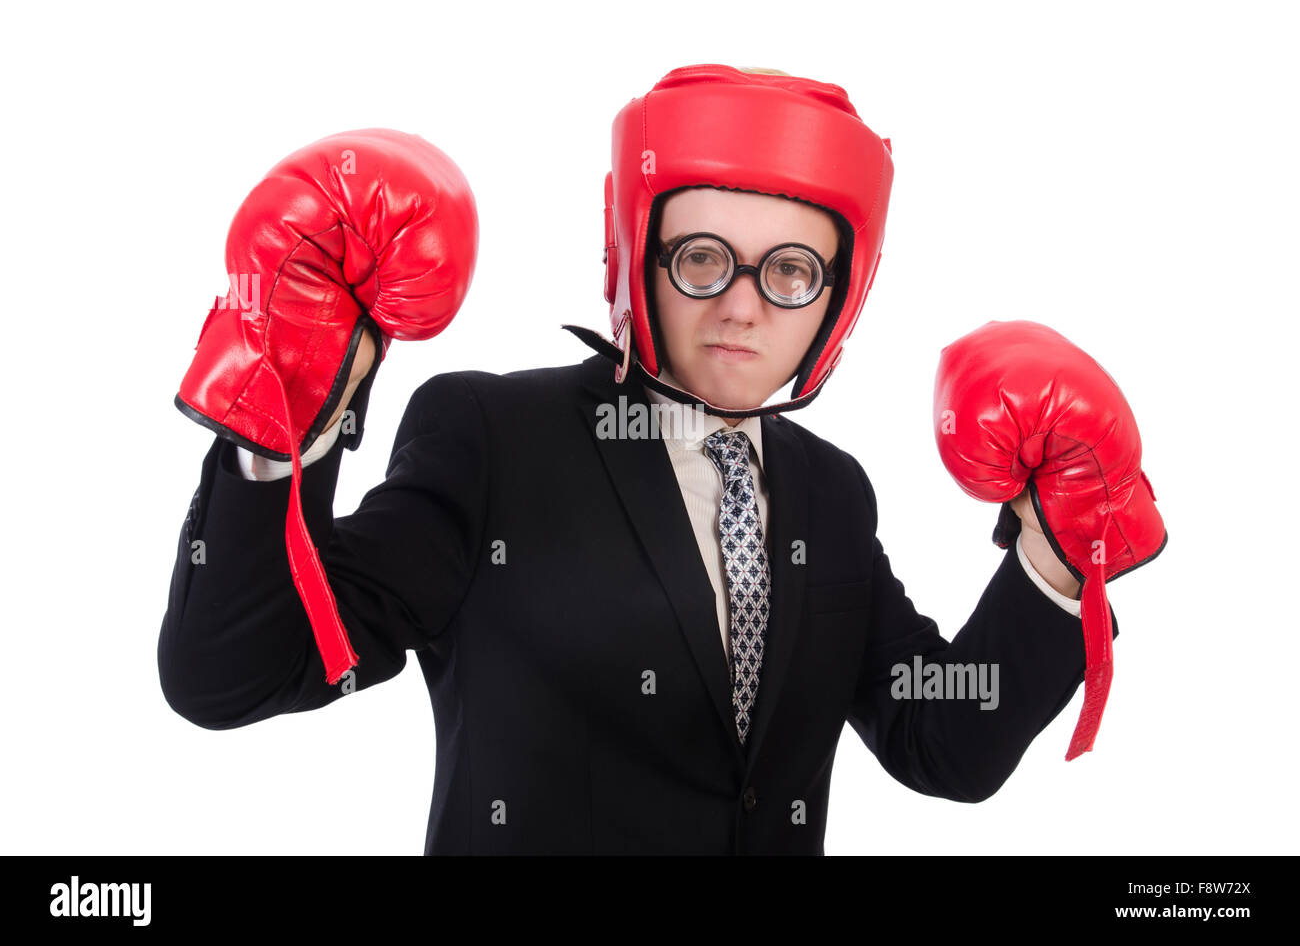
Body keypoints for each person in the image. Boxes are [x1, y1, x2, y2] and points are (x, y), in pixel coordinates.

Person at [160, 64, 1115, 855]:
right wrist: (282, 394)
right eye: (703, 257)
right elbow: (234, 671)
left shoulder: (832, 494)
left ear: (836, 300)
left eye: (790, 271)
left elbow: (942, 737)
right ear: (636, 254)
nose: (743, 306)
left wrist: (1060, 553)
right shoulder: (493, 435)